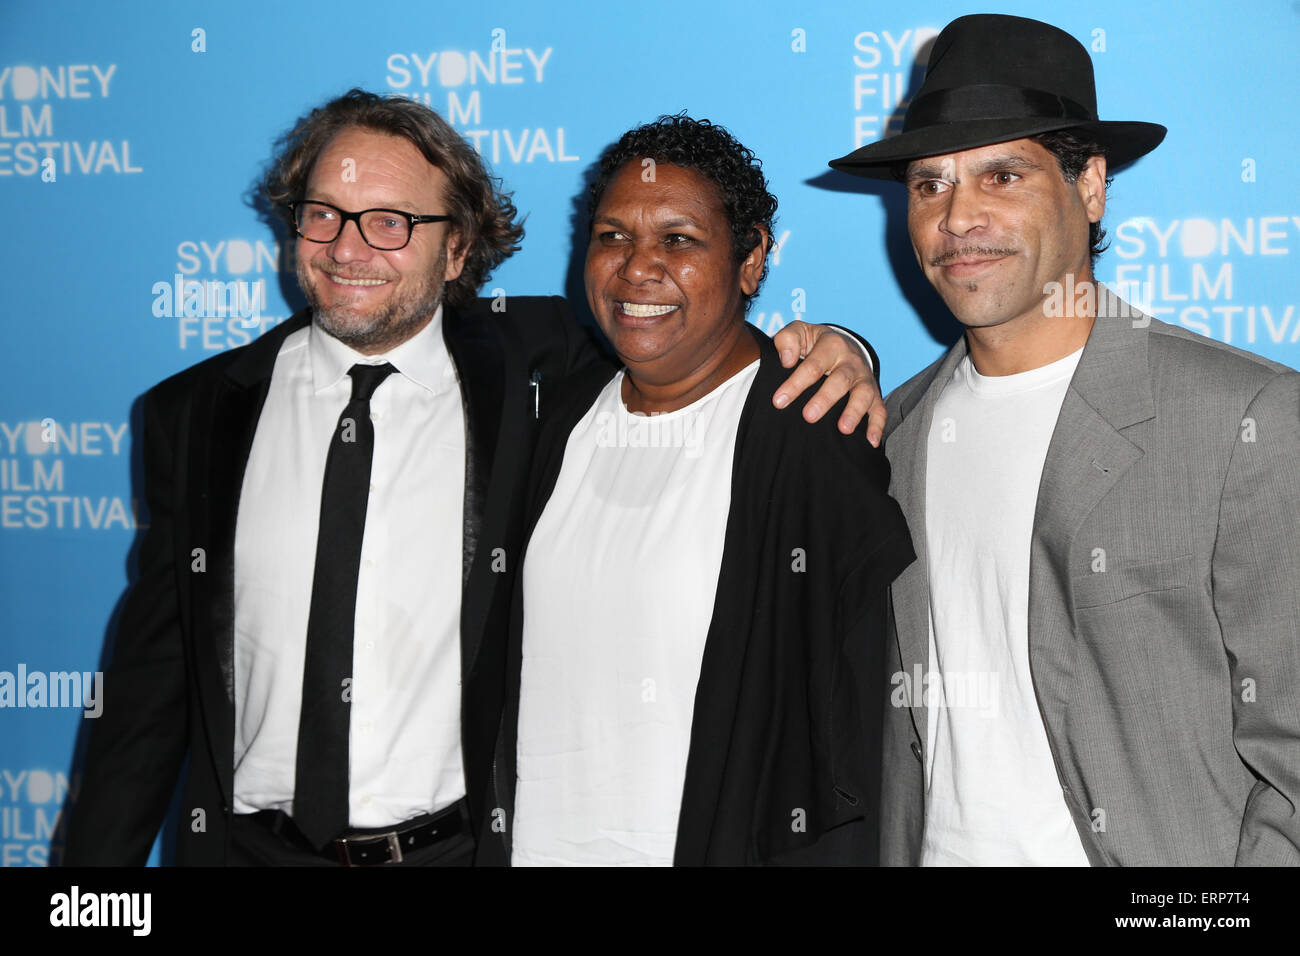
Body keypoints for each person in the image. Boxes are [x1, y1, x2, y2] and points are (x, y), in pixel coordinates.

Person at [63, 90, 885, 866]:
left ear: (458, 247)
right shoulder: (196, 414)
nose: (349, 248)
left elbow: (691, 337)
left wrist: (843, 346)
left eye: (390, 222)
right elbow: (147, 693)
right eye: (325, 215)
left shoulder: (535, 372)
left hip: (457, 853)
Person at [829, 13, 1300, 866]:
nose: (957, 217)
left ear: (1089, 187)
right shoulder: (888, 436)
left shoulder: (1246, 418)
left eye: (1001, 175)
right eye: (929, 184)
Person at [481, 116, 915, 866]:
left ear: (752, 259)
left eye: (679, 240)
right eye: (613, 236)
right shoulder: (551, 416)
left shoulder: (810, 431)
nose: (637, 268)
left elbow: (851, 726)